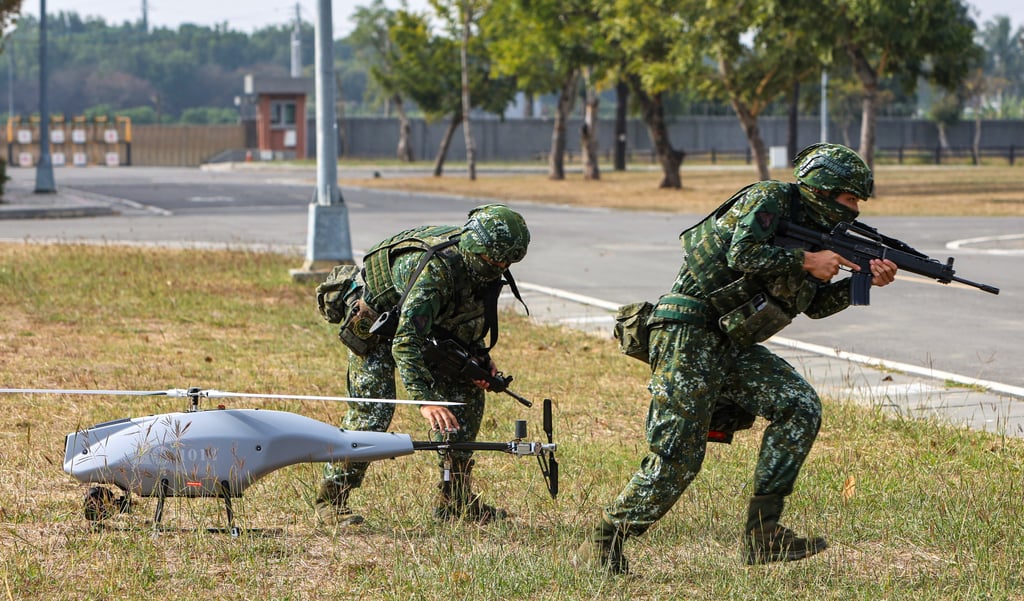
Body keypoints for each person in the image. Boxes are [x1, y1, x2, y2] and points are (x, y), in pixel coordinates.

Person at [576, 143, 899, 573]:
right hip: (688, 333)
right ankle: (602, 544)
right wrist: (807, 260)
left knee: (799, 405)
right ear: (822, 190)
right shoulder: (770, 198)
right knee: (678, 457)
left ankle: (763, 535)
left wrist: (863, 282)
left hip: (729, 342)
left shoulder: (812, 231)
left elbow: (816, 306)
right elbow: (741, 252)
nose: (854, 209)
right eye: (849, 198)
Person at [315, 203, 531, 527]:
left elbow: (462, 314)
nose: (500, 267)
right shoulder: (435, 273)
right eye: (495, 261)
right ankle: (331, 500)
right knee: (373, 413)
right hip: (377, 326)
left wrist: (478, 358)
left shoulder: (481, 267)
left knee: (466, 399)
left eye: (507, 263)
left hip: (420, 327)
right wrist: (426, 400)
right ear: (476, 248)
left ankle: (454, 501)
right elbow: (405, 342)